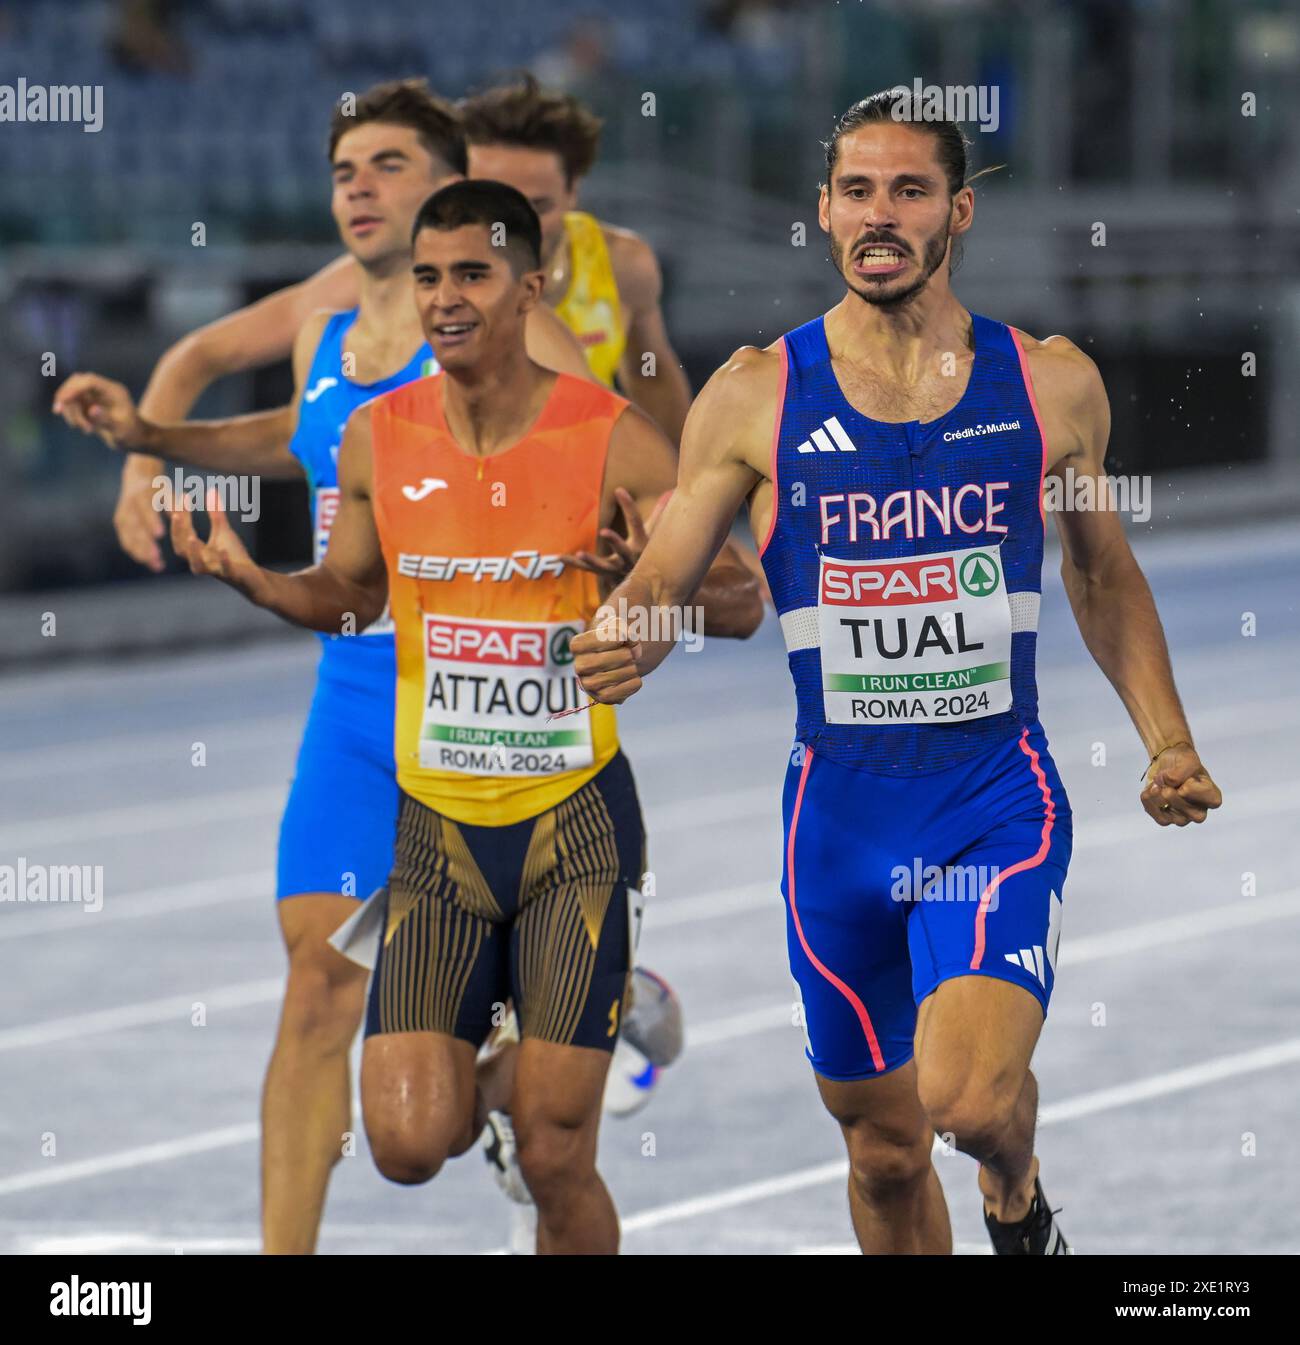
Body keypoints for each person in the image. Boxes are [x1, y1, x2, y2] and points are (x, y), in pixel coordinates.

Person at [569, 88, 1223, 1256]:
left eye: (909, 191)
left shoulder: (1049, 384)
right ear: (822, 212)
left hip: (989, 799)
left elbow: (1103, 575)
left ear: (956, 212)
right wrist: (626, 630)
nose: (881, 214)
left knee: (965, 1103)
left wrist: (1166, 742)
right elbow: (670, 571)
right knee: (880, 1153)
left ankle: (1016, 1196)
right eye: (857, 191)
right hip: (836, 820)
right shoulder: (755, 393)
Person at [162, 180, 763, 1253]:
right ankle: (525, 1039)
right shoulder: (375, 439)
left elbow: (742, 600)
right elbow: (351, 596)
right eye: (429, 276)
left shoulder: (611, 438)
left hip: (571, 827)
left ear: (530, 290)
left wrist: (655, 586)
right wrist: (262, 585)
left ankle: (553, 1048)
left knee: (552, 1147)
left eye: (474, 275)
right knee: (403, 1140)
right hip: (436, 837)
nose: (445, 299)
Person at [54, 81, 593, 1255]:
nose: (357, 187)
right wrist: (149, 449)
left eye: (388, 166)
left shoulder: (515, 329)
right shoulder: (322, 315)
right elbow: (289, 436)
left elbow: (606, 470)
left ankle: (501, 1079)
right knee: (315, 986)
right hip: (356, 696)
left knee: (421, 1130)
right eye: (344, 168)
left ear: (449, 191)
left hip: (484, 704)